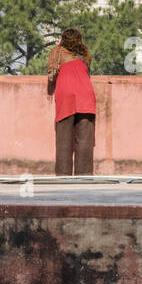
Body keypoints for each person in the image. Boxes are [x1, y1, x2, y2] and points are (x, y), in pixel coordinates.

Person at [46, 28, 96, 175]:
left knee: (64, 140)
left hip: (66, 96)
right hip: (86, 96)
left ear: (63, 39)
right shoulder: (85, 52)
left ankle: (63, 175)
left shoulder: (57, 51)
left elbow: (51, 76)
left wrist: (57, 46)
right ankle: (84, 175)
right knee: (85, 140)